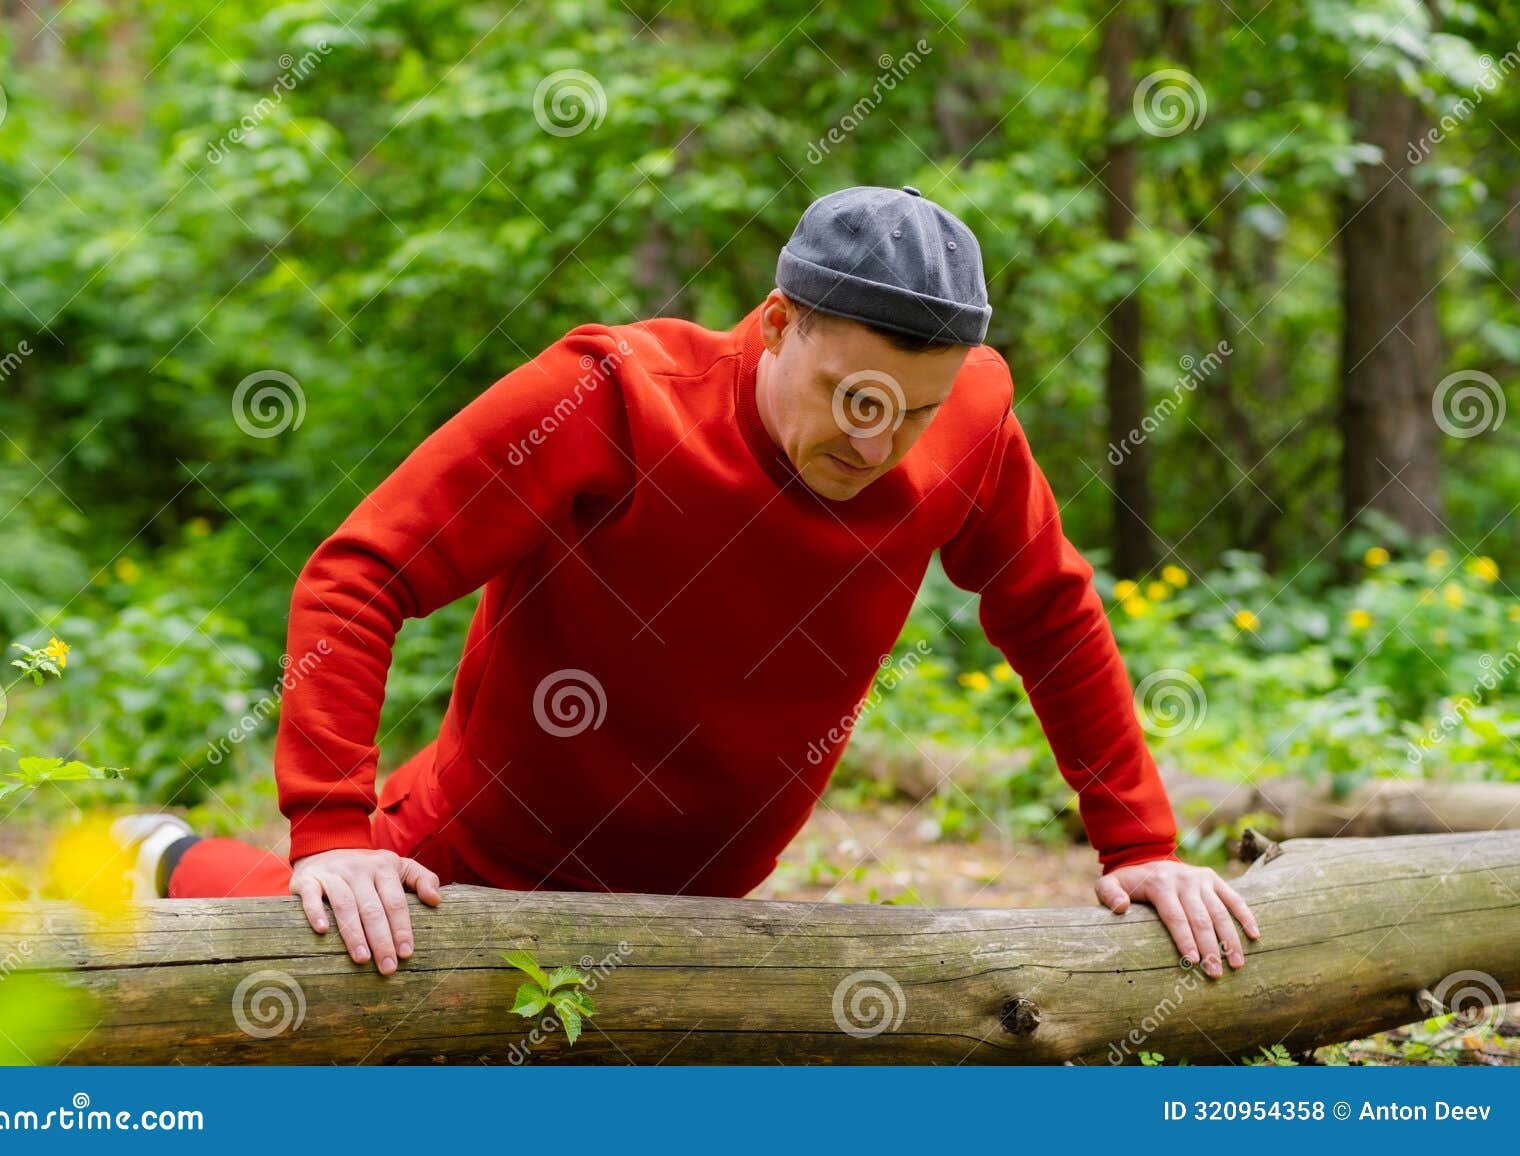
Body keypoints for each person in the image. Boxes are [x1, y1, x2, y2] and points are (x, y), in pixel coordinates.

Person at [117, 184, 1259, 979]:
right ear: (776, 323)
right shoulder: (614, 398)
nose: (881, 446)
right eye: (857, 400)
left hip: (702, 904)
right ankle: (159, 855)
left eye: (914, 410)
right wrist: (329, 832)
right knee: (314, 949)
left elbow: (1050, 614)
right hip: (478, 859)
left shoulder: (967, 420)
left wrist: (1140, 848)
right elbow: (361, 571)